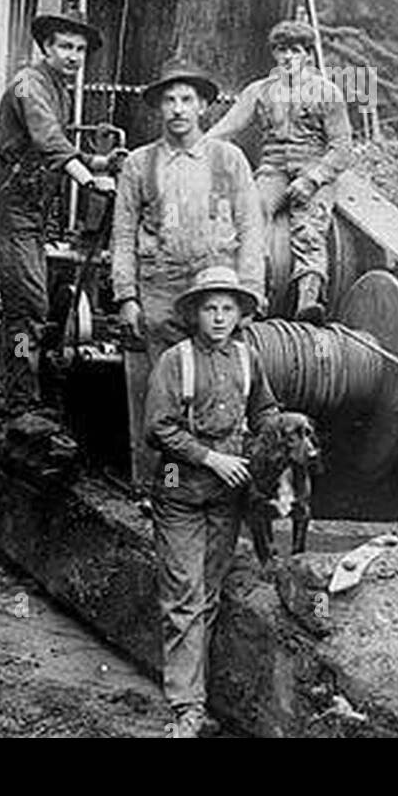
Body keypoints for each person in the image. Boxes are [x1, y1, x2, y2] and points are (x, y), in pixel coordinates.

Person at [144, 265, 280, 739]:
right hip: (181, 489)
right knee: (183, 596)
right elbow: (158, 428)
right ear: (195, 314)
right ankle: (186, 710)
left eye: (228, 308)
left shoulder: (247, 360)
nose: (219, 318)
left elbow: (265, 412)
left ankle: (200, 695)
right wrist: (211, 458)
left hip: (228, 497)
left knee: (208, 596)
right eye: (210, 308)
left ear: (240, 314)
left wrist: (274, 457)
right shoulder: (175, 361)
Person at [0, 8, 118, 418]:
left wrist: (101, 162)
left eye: (80, 49)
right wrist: (89, 181)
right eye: (65, 46)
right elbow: (48, 140)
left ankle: (29, 390)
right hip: (10, 209)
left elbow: (52, 146)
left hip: (33, 213)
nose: (74, 56)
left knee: (31, 304)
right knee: (27, 308)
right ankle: (19, 401)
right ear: (46, 47)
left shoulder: (57, 86)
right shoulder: (27, 85)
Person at [110, 61, 265, 355]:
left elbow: (251, 228)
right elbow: (123, 233)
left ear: (203, 107)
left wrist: (251, 291)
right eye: (169, 101)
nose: (178, 109)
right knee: (168, 382)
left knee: (218, 380)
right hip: (161, 291)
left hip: (218, 285)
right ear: (159, 107)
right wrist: (126, 297)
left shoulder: (228, 158)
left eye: (187, 100)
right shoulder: (138, 163)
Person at [207, 19, 351, 324]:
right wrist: (194, 148)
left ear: (308, 55)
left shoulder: (327, 93)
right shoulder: (259, 91)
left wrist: (313, 180)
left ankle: (308, 299)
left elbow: (341, 148)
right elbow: (227, 128)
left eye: (296, 51)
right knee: (251, 216)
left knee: (309, 227)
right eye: (282, 50)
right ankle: (254, 295)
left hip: (313, 168)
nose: (288, 58)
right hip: (273, 168)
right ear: (274, 54)